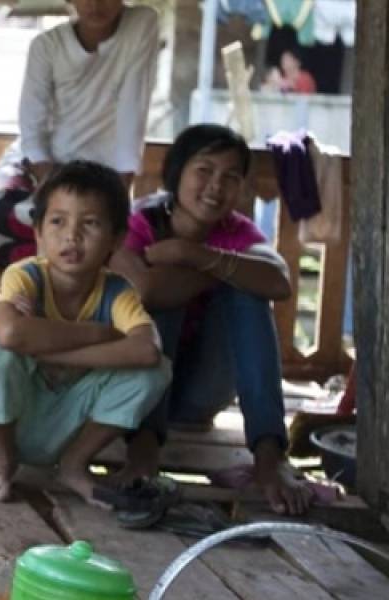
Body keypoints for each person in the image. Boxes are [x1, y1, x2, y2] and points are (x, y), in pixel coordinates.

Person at [108, 124, 312, 515]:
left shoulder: (236, 231)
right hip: (136, 394)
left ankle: (270, 457)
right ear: (177, 172)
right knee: (165, 299)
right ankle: (143, 447)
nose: (216, 186)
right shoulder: (139, 222)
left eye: (230, 177)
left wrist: (192, 254)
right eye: (204, 170)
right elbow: (146, 290)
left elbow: (279, 280)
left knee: (249, 294)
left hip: (199, 396)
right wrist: (223, 269)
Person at [0, 160, 169, 508]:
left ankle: (73, 464)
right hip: (3, 419)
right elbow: (10, 333)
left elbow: (147, 351)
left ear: (116, 239)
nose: (72, 236)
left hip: (66, 425)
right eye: (58, 222)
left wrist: (44, 348)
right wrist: (97, 333)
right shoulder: (24, 276)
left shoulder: (118, 292)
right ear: (39, 233)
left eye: (90, 224)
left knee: (156, 371)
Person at [0, 0, 159, 291]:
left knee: (94, 227)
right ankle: (10, 305)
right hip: (44, 164)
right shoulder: (46, 47)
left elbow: (132, 111)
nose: (95, 4)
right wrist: (53, 187)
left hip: (103, 171)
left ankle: (87, 314)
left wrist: (120, 190)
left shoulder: (141, 25)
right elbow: (33, 130)